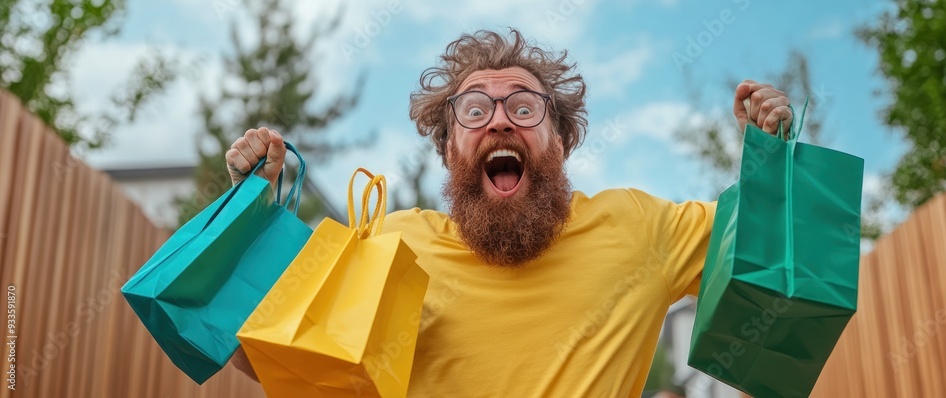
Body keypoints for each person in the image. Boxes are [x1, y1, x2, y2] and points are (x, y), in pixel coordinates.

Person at [224, 29, 792, 397]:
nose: (499, 121)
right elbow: (273, 366)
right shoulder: (389, 245)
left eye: (524, 107)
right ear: (448, 149)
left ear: (561, 141)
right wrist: (249, 214)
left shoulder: (643, 229)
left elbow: (772, 258)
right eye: (474, 110)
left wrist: (769, 159)